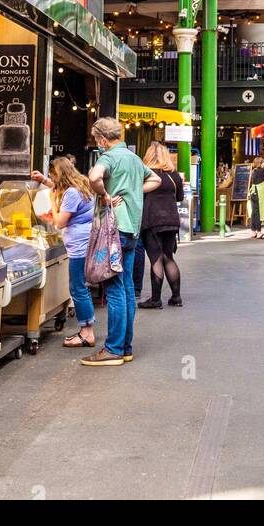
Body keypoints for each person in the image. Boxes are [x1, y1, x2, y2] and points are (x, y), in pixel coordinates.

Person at [82, 117, 161, 367]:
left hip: (113, 229)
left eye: (97, 140)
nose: (98, 144)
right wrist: (133, 191)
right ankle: (125, 347)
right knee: (126, 287)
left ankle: (114, 349)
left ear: (104, 139)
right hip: (131, 230)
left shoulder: (109, 157)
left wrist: (104, 194)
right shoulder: (134, 158)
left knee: (114, 287)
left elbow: (94, 176)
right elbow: (156, 180)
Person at [45, 156, 96, 349]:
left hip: (78, 246)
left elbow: (60, 222)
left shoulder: (71, 193)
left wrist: (51, 199)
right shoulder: (82, 185)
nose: (53, 179)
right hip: (84, 242)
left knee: (78, 288)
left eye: (53, 175)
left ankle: (87, 332)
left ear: (60, 174)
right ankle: (86, 328)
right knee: (80, 287)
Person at [137, 141, 183, 309]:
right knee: (168, 257)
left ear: (149, 155)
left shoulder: (146, 174)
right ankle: (176, 297)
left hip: (152, 221)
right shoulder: (174, 175)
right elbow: (180, 198)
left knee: (156, 259)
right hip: (171, 220)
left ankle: (156, 299)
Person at [248, 155, 264, 238]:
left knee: (254, 212)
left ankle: (253, 231)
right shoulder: (262, 171)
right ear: (260, 163)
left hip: (253, 193)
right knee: (258, 213)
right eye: (263, 162)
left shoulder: (253, 171)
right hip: (259, 194)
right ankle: (259, 231)